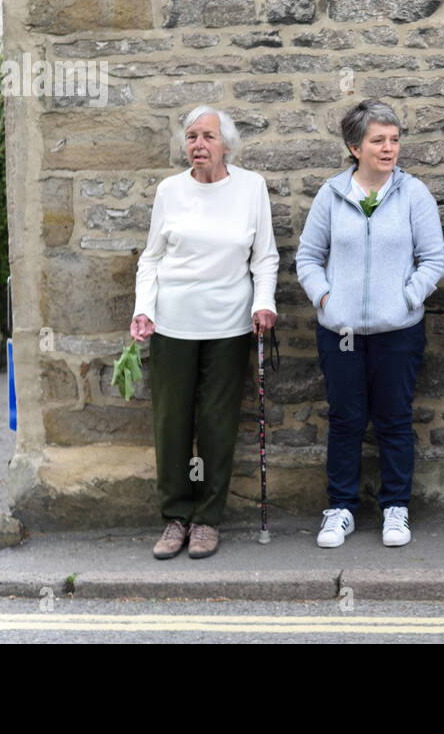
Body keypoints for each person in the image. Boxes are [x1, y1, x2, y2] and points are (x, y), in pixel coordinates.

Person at [296, 100, 444, 549]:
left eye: (394, 140)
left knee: (394, 420)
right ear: (354, 147)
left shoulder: (413, 193)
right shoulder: (331, 193)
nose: (389, 148)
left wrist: (406, 298)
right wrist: (326, 298)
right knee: (345, 419)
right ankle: (340, 508)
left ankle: (395, 507)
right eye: (378, 140)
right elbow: (307, 257)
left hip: (397, 330)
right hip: (339, 331)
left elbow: (433, 260)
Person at [132, 107, 279, 561]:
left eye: (208, 136)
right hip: (173, 323)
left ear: (226, 145)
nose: (198, 144)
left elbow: (265, 258)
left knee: (217, 424)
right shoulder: (170, 191)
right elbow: (151, 258)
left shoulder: (251, 187)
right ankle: (176, 517)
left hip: (230, 325)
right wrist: (143, 309)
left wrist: (264, 301)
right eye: (192, 136)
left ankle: (208, 520)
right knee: (171, 423)